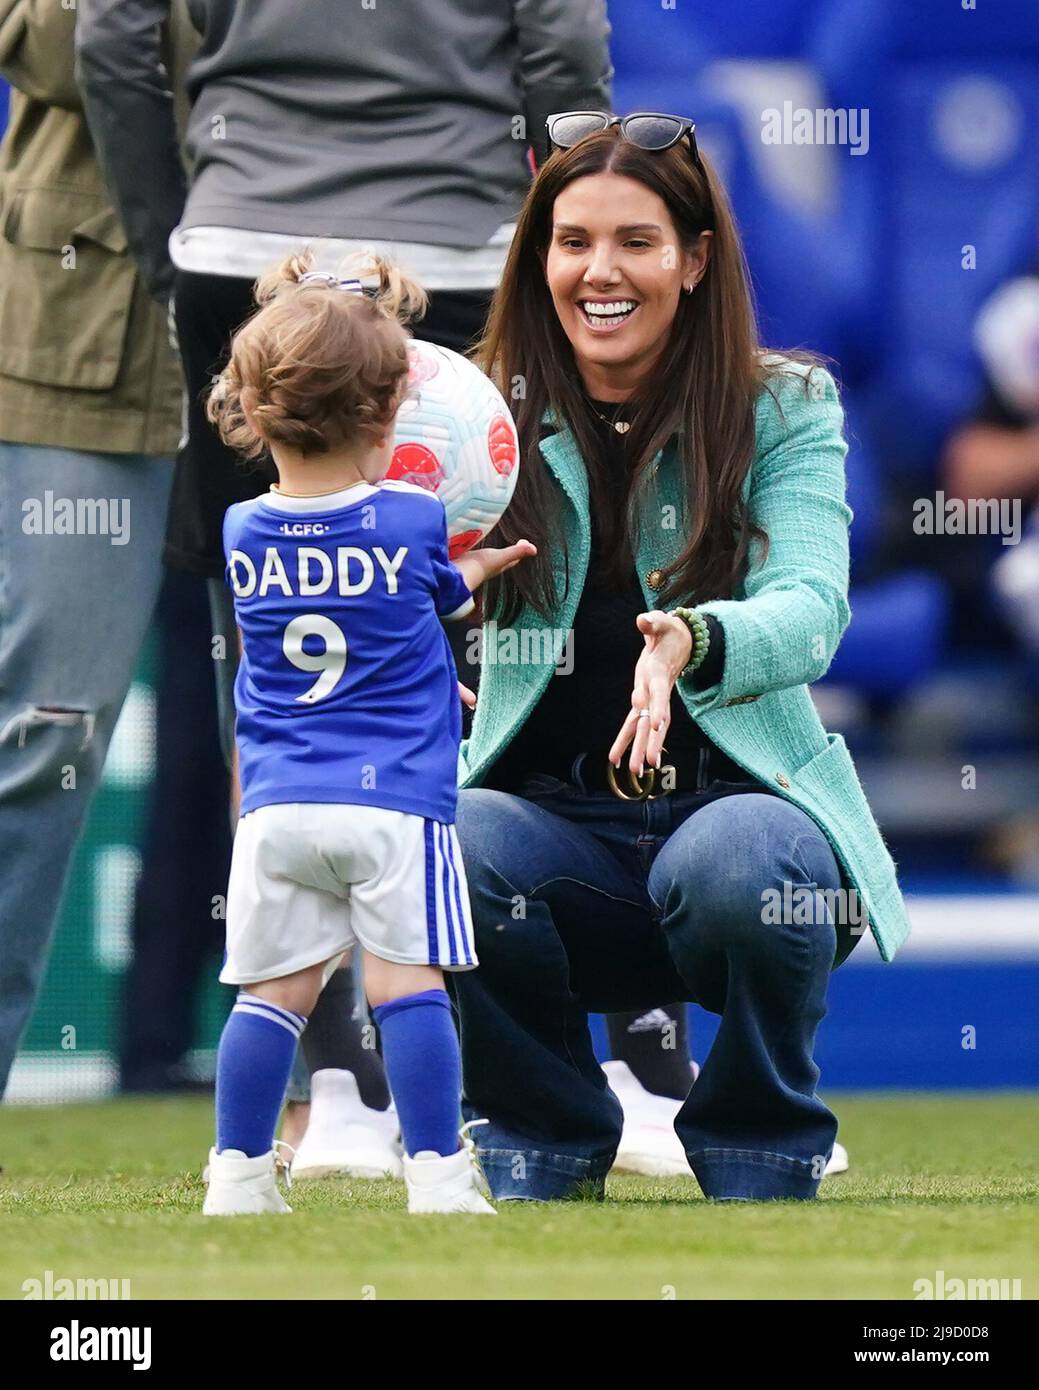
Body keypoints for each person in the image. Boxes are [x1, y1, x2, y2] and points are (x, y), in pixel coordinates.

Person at [75, 0, 611, 1157]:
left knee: (259, 647)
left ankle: (335, 1095)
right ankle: (555, 1069)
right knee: (511, 646)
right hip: (459, 245)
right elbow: (562, 50)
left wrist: (178, 234)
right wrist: (572, 227)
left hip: (236, 242)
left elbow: (111, 41)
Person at [451, 110, 912, 1203]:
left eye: (636, 242)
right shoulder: (473, 418)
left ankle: (759, 1140)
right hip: (551, 842)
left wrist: (696, 637)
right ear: (538, 259)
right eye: (572, 243)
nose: (598, 271)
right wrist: (425, 606)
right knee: (446, 841)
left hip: (742, 837)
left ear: (694, 260)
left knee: (742, 858)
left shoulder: (785, 406)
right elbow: (386, 592)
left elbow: (812, 607)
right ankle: (541, 1137)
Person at [201, 251, 535, 1216]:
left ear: (256, 414)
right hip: (391, 805)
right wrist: (484, 571)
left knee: (270, 994)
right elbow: (433, 606)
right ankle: (436, 1175)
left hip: (275, 808)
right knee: (406, 987)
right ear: (399, 413)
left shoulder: (239, 531)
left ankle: (238, 1174)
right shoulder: (412, 518)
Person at [0, 0, 183, 1094]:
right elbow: (55, 44)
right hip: (85, 325)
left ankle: (345, 1097)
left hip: (317, 315)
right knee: (43, 729)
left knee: (336, 729)